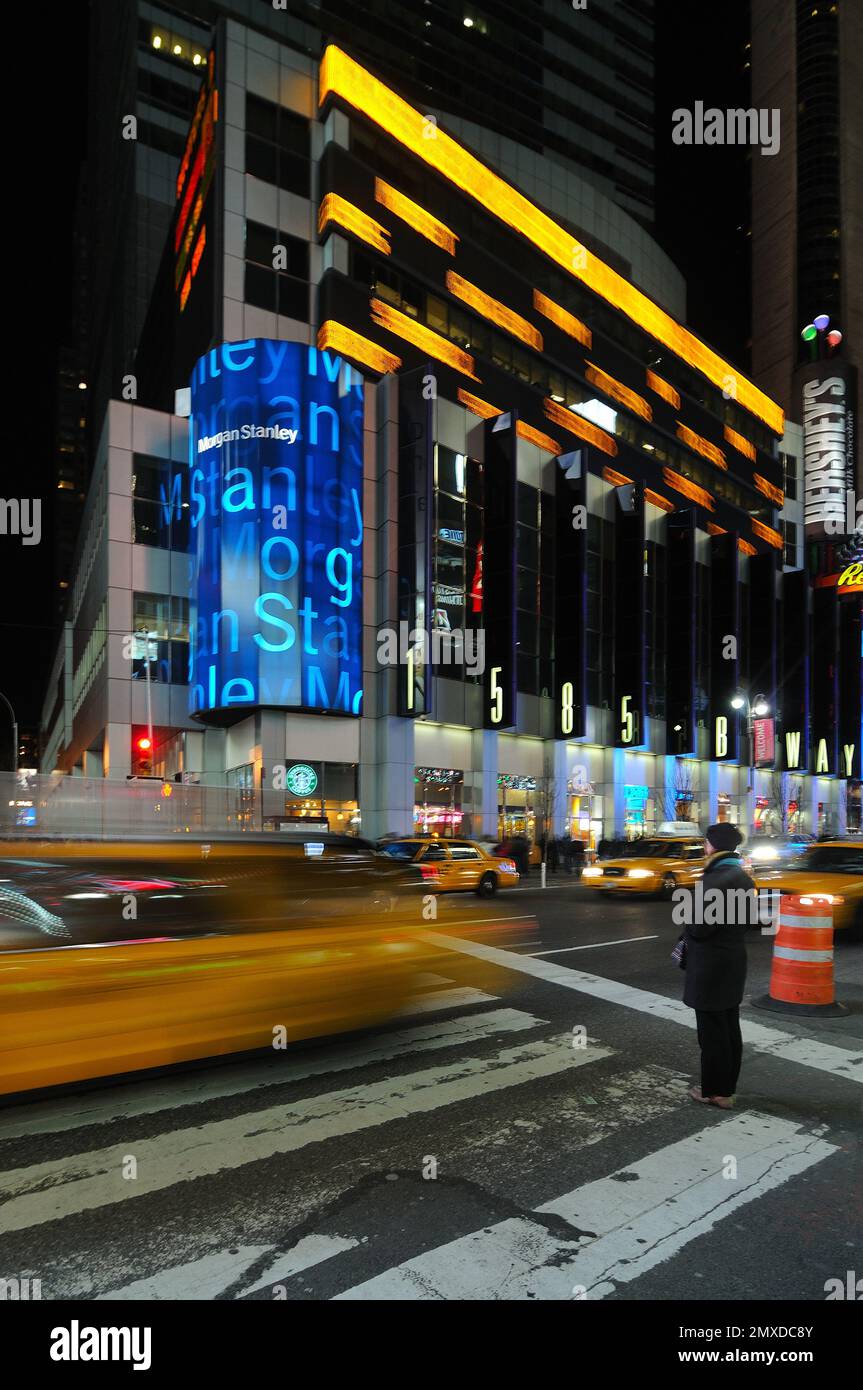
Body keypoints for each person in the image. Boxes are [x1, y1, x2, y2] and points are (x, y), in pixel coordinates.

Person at [682, 822, 752, 1110]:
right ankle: (726, 1087)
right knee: (728, 1027)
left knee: (711, 1033)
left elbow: (699, 928)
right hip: (733, 960)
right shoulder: (743, 877)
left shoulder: (713, 880)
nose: (704, 846)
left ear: (714, 845)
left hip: (710, 964)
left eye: (706, 842)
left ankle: (715, 1092)